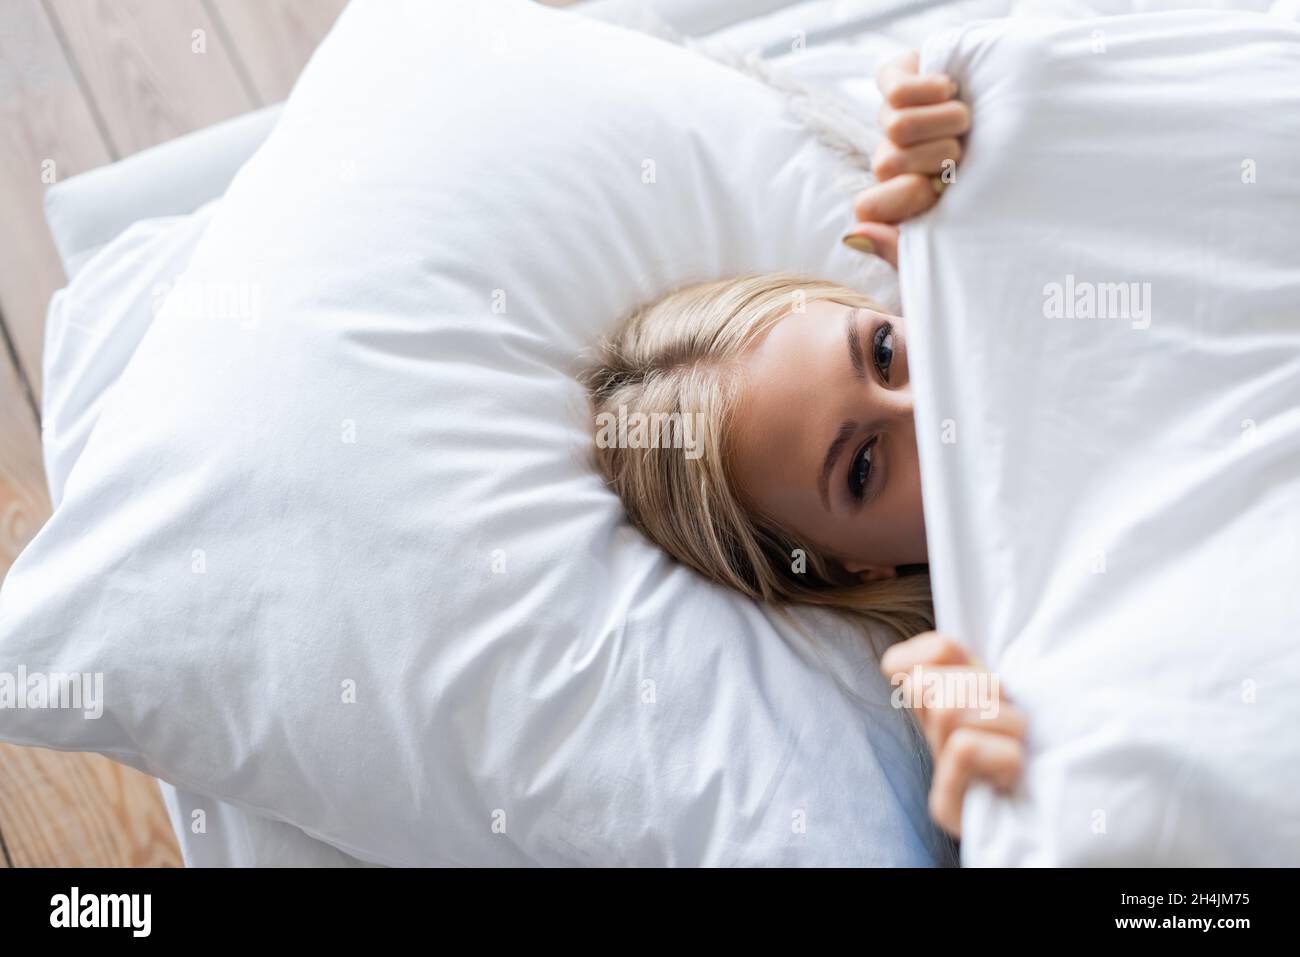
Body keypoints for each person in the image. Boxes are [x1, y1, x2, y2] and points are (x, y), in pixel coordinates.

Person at [582, 52, 1024, 839]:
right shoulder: (985, 681)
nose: (933, 407)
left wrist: (1003, 160)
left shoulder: (1025, 262)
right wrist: (1030, 817)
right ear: (858, 566)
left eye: (884, 353)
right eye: (862, 467)